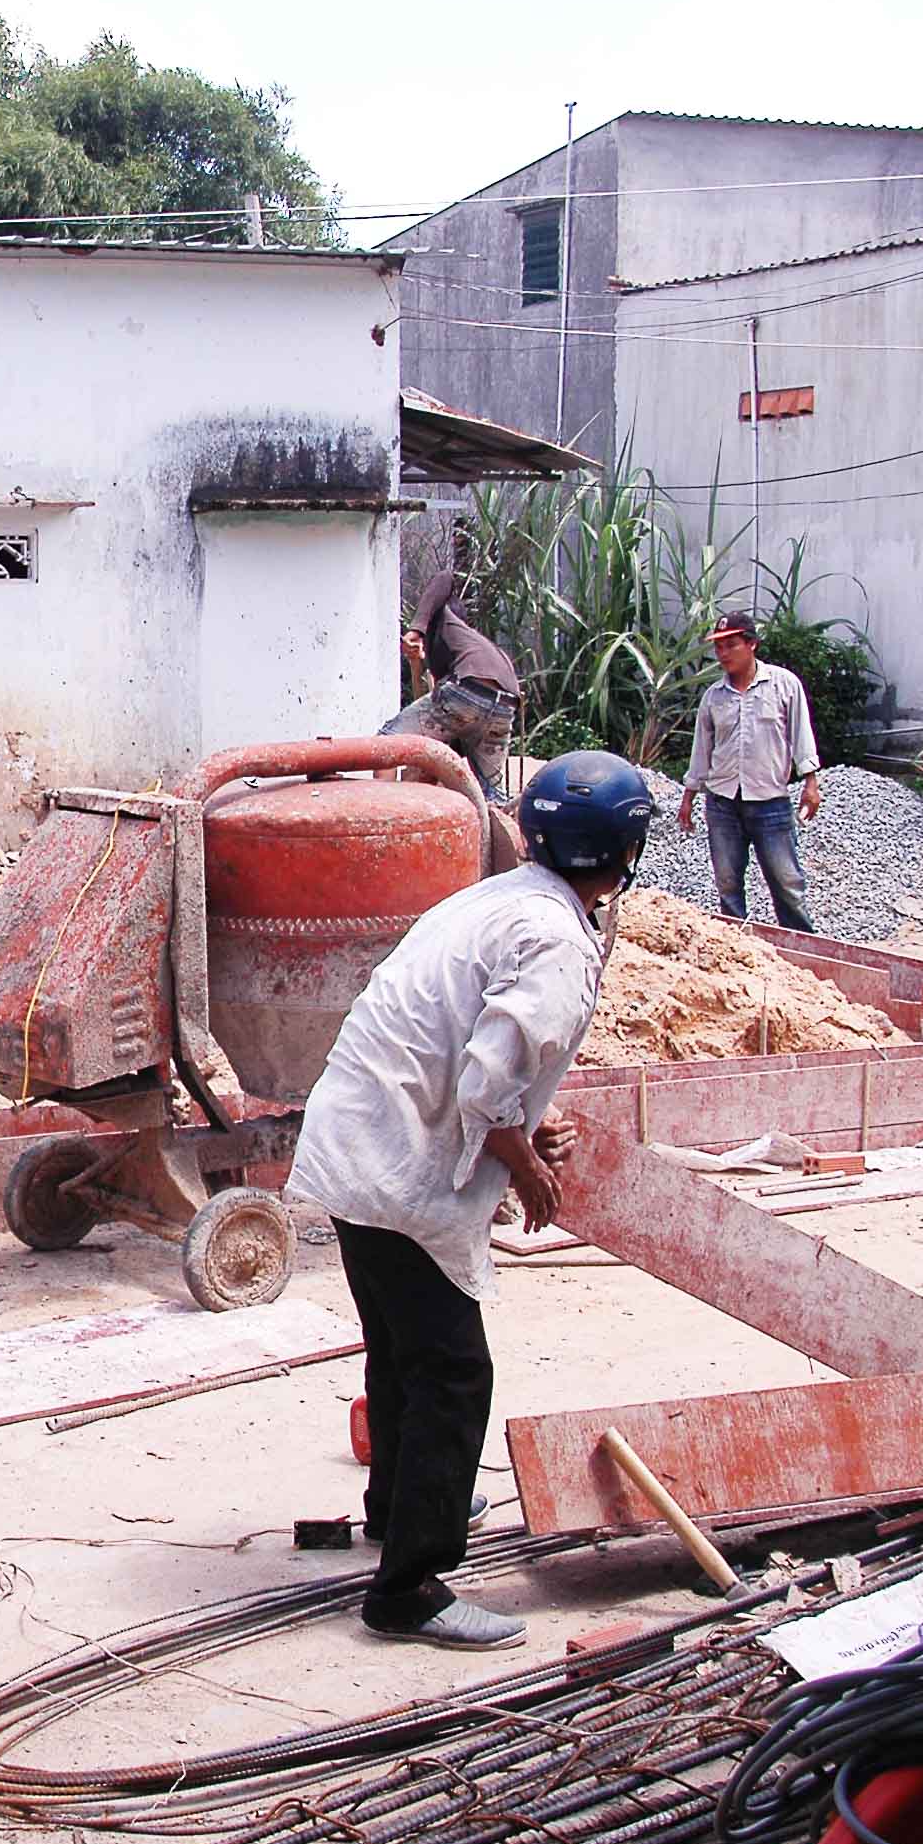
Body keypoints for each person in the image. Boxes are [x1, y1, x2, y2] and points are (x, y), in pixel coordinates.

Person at [287, 750, 652, 1650]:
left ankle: (396, 1506)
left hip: (357, 1138)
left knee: (401, 1349)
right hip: (401, 1166)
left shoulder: (494, 900)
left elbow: (466, 1039)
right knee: (454, 1371)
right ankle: (410, 1588)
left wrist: (525, 1126)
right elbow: (486, 1083)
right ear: (624, 854)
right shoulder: (560, 939)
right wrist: (522, 1160)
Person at [678, 611, 821, 934]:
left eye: (731, 645)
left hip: (770, 802)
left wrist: (811, 782)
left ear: (752, 644)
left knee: (787, 883)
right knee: (728, 883)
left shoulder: (783, 685)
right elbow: (702, 751)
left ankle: (801, 945)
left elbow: (801, 735)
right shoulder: (713, 697)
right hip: (723, 804)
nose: (723, 654)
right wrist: (688, 798)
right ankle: (736, 945)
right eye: (719, 647)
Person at [385, 567, 521, 800]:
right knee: (491, 795)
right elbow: (434, 710)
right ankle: (497, 818)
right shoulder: (470, 647)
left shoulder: (443, 618)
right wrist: (416, 663)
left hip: (468, 692)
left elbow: (445, 576)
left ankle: (383, 809)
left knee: (387, 741)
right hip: (505, 705)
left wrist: (417, 628)